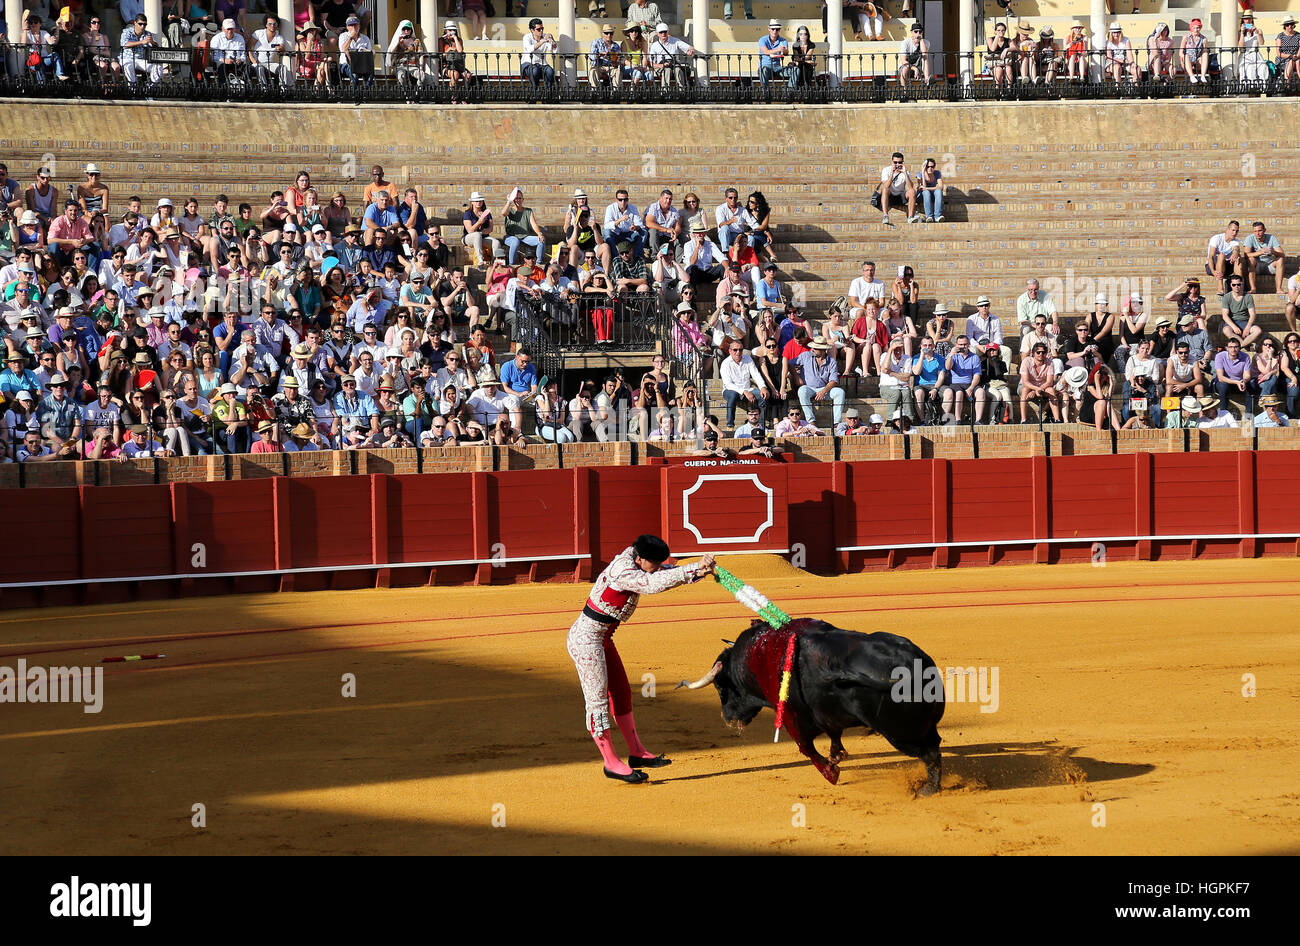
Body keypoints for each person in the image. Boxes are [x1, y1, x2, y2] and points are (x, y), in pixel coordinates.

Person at [567, 534, 716, 783]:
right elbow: (652, 584)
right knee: (597, 702)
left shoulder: (636, 560)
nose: (658, 567)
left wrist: (699, 569)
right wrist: (694, 568)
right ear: (640, 558)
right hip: (586, 642)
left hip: (603, 639)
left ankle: (636, 752)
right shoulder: (623, 570)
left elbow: (660, 573)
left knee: (622, 692)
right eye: (654, 563)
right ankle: (610, 762)